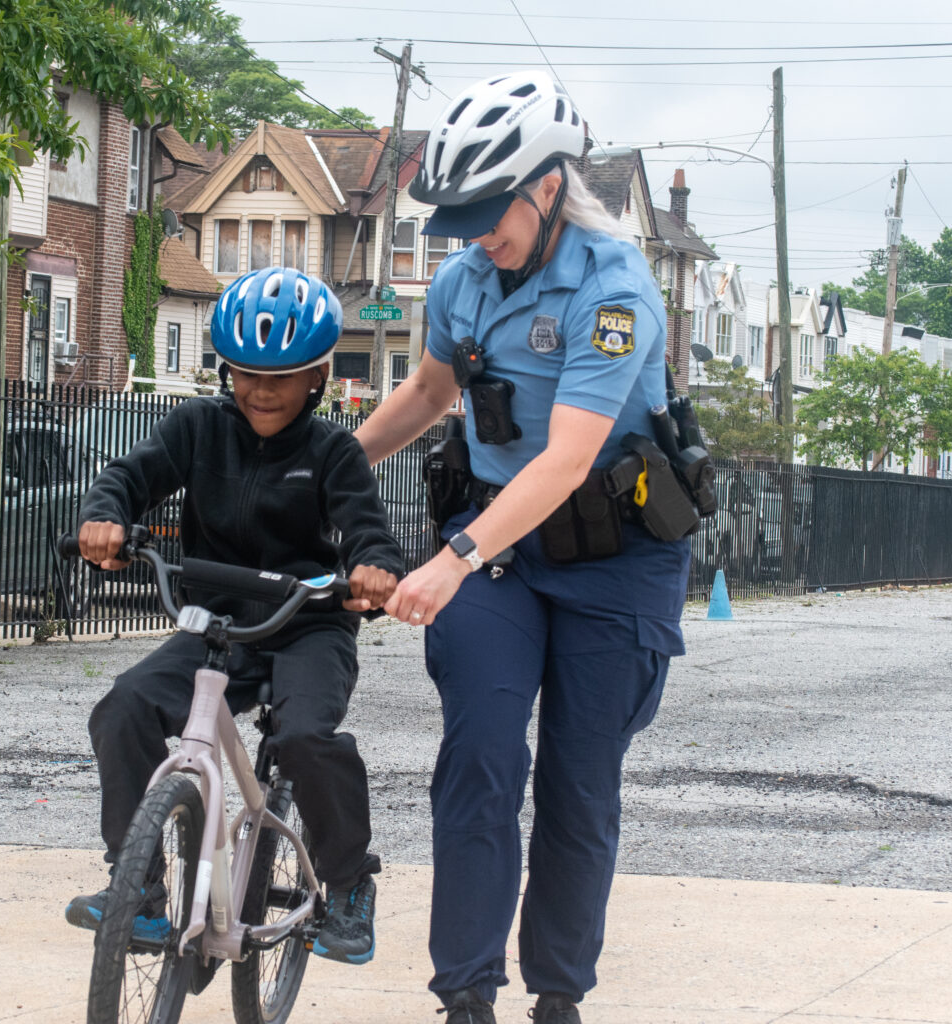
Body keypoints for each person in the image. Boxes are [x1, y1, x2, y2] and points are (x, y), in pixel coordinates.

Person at [352, 72, 692, 1023]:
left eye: (484, 216)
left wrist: (449, 558)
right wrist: (324, 467)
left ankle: (558, 997)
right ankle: (465, 994)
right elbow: (427, 396)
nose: (468, 241)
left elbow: (568, 457)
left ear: (546, 187)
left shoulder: (614, 290)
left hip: (614, 555)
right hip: (503, 554)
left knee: (579, 786)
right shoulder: (462, 285)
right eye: (451, 221)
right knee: (482, 758)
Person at [65, 266, 403, 964]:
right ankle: (141, 893)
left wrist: (372, 568)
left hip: (308, 624)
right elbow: (128, 477)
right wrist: (106, 517)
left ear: (317, 377)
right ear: (225, 372)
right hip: (214, 621)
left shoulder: (333, 451)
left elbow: (367, 529)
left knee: (308, 737)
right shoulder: (196, 429)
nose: (263, 389)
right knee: (124, 707)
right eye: (246, 373)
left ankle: (349, 883)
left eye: (284, 376)